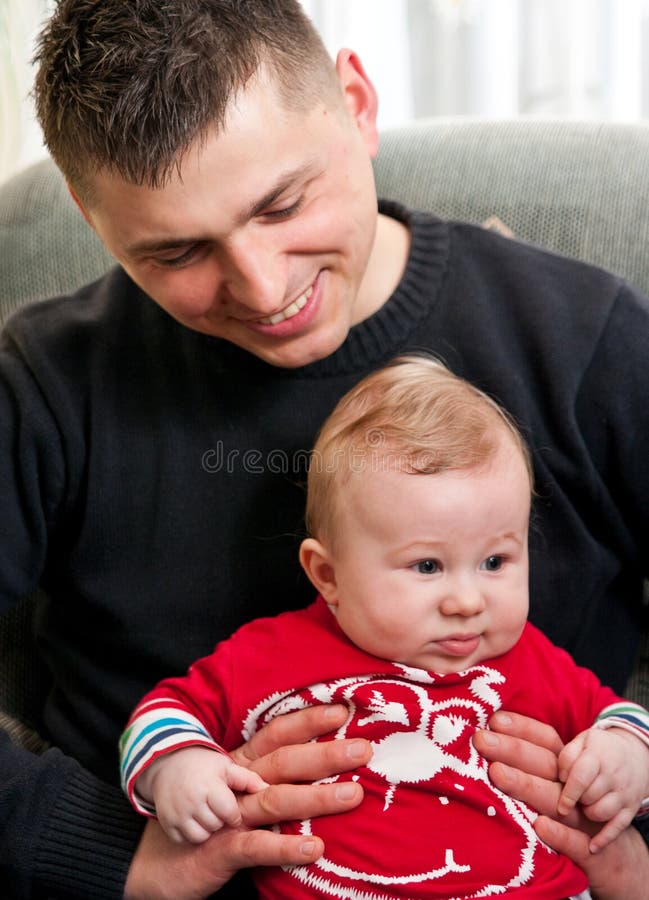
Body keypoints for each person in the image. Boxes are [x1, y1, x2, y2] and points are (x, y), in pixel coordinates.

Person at [1, 0, 649, 897]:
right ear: (88, 213)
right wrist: (112, 858)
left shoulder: (585, 340)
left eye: (282, 203)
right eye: (177, 251)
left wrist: (633, 845)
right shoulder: (43, 382)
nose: (263, 290)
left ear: (356, 102)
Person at [118, 356, 649, 899]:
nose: (468, 601)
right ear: (328, 575)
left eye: (495, 562)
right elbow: (163, 714)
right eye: (426, 567)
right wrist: (178, 769)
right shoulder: (269, 653)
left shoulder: (533, 660)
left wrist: (627, 758)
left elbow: (622, 718)